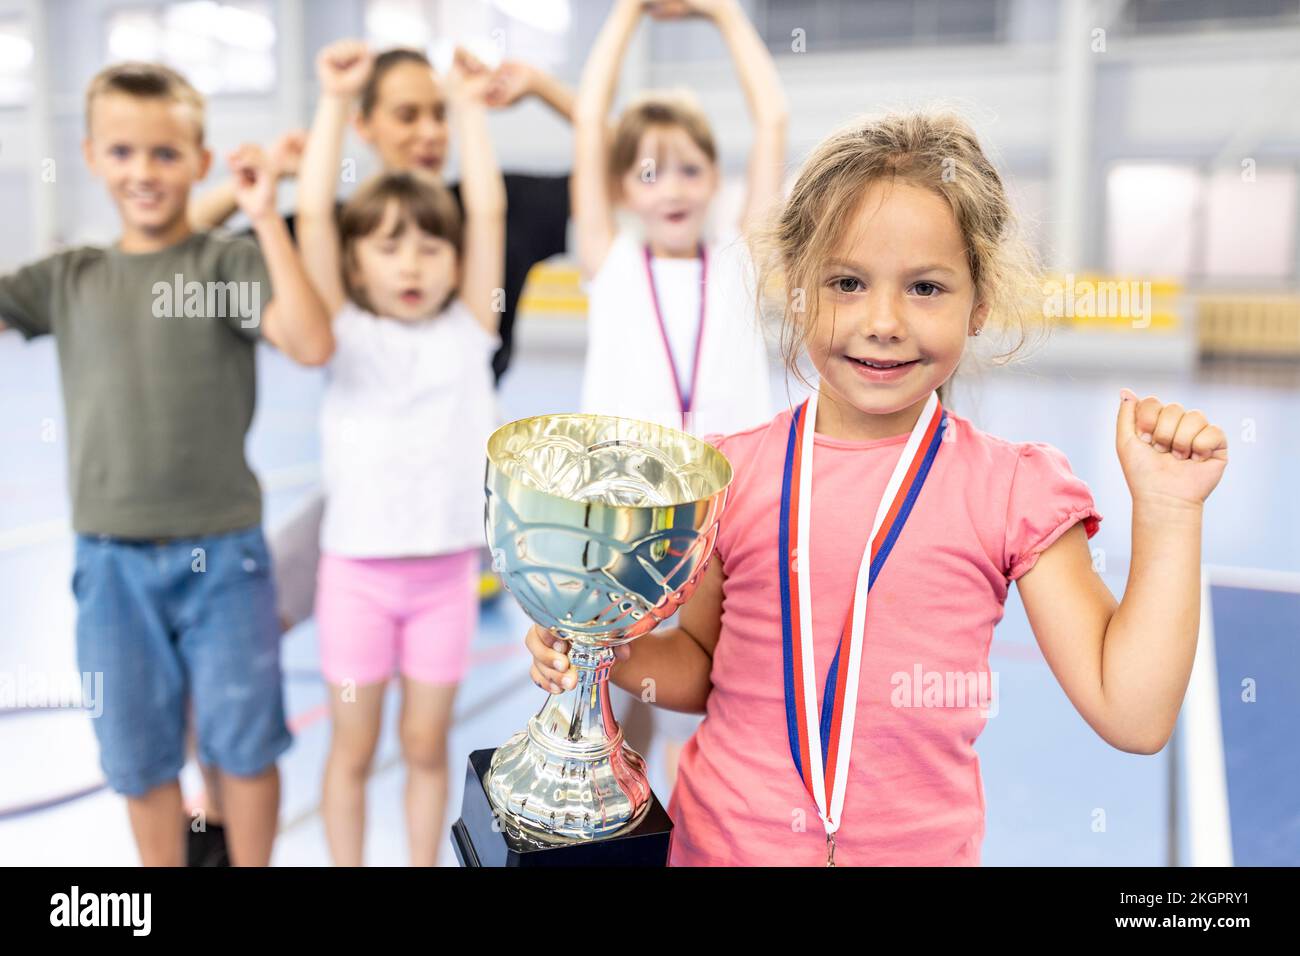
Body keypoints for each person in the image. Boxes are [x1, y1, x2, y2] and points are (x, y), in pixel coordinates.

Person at [523, 110, 1229, 866]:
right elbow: (701, 666)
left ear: (979, 302)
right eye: (847, 283)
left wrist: (1167, 511)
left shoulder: (1013, 489)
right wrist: (602, 648)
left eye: (926, 287)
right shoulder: (728, 475)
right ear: (797, 289)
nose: (884, 321)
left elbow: (1135, 712)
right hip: (717, 851)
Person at [0, 62, 333, 865]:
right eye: (122, 153)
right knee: (139, 753)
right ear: (89, 156)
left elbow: (312, 341)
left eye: (163, 154)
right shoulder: (70, 279)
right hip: (111, 566)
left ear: (198, 159)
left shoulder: (221, 270)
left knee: (243, 745)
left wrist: (267, 216)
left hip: (223, 556)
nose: (142, 173)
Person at [291, 41, 504, 866]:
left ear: (456, 261)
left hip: (445, 576)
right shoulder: (346, 333)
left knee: (425, 745)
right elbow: (313, 216)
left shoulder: (469, 330)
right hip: (357, 578)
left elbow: (482, 212)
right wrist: (335, 104)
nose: (411, 263)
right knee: (350, 748)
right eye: (386, 246)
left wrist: (469, 109)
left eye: (428, 246)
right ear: (352, 262)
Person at [572, 0, 786, 783]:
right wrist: (627, 13)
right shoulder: (612, 258)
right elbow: (589, 120)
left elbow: (773, 119)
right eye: (649, 170)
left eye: (691, 167)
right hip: (628, 512)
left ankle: (710, 802)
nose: (673, 187)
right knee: (617, 676)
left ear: (716, 181)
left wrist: (727, 17)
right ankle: (609, 796)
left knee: (718, 672)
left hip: (724, 516)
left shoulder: (737, 256)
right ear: (622, 185)